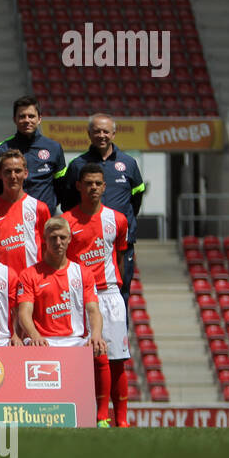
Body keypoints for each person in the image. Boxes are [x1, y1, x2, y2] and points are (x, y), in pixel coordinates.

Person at [64, 163, 132, 427]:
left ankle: (123, 420)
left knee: (117, 360)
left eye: (97, 183)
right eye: (88, 183)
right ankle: (100, 416)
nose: (93, 188)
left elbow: (122, 255)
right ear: (79, 186)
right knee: (93, 360)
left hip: (109, 293)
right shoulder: (67, 221)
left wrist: (117, 287)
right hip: (79, 298)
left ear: (104, 187)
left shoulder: (118, 219)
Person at [58, 113, 144, 304]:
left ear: (114, 133)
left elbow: (136, 198)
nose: (101, 135)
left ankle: (120, 333)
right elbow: (68, 203)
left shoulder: (129, 163)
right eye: (96, 131)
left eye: (106, 131)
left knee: (122, 294)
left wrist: (121, 223)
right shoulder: (77, 165)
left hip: (120, 242)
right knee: (82, 295)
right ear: (89, 134)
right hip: (87, 244)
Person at [14, 218, 107, 385]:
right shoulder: (29, 274)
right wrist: (35, 336)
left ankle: (99, 411)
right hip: (43, 341)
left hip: (74, 340)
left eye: (62, 238)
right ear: (45, 239)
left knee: (100, 350)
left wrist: (97, 335)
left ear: (70, 238)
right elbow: (24, 313)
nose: (58, 242)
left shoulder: (83, 273)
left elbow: (93, 310)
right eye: (53, 238)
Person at [0, 149, 51, 277]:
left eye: (17, 171)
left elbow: (48, 249)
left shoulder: (40, 208)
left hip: (33, 282)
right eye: (8, 171)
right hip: (1, 283)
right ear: (0, 174)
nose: (13, 176)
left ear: (26, 173)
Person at [0, 96, 66, 210]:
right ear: (14, 119)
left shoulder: (54, 148)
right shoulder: (1, 150)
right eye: (22, 116)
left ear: (39, 119)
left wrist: (49, 207)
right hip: (11, 217)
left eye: (31, 116)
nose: (27, 120)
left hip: (43, 219)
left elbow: (61, 186)